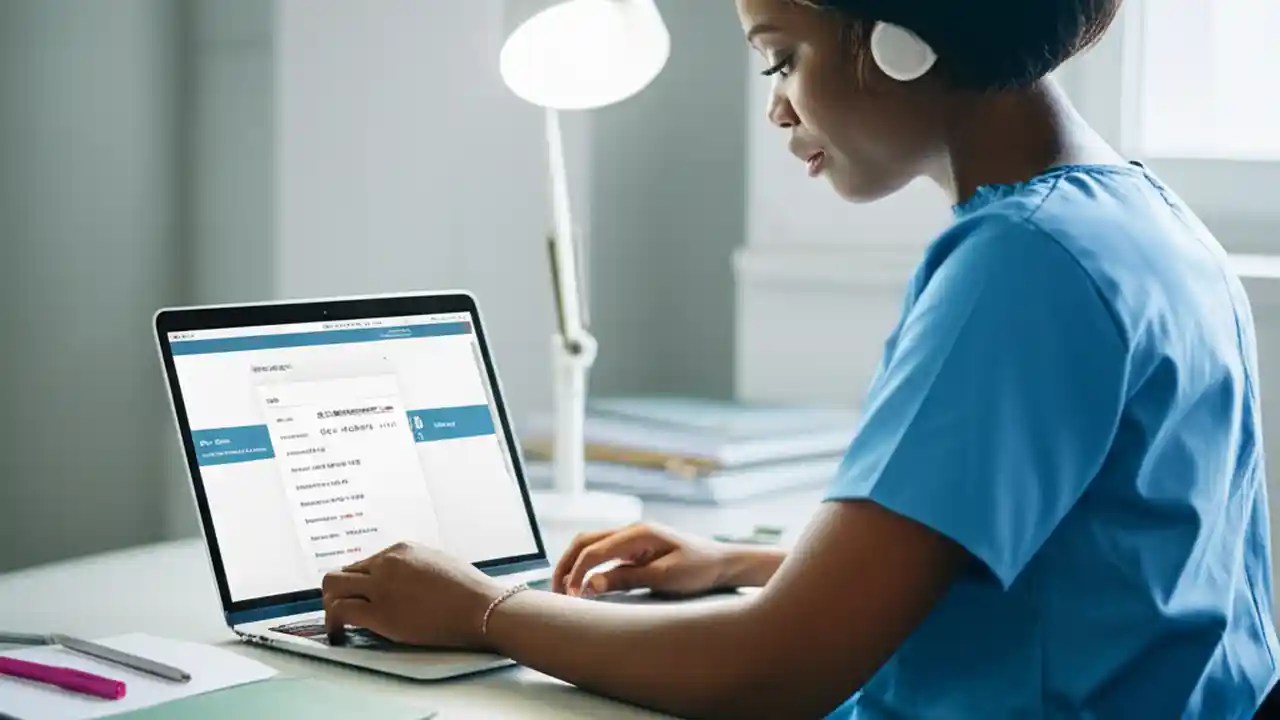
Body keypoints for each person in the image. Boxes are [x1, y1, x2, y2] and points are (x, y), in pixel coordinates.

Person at [320, 0, 1280, 716]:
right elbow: (1080, 569)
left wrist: (483, 609)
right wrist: (745, 564)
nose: (778, 109)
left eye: (782, 58)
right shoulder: (1146, 222)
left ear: (898, 36)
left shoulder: (1022, 263)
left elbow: (774, 670)